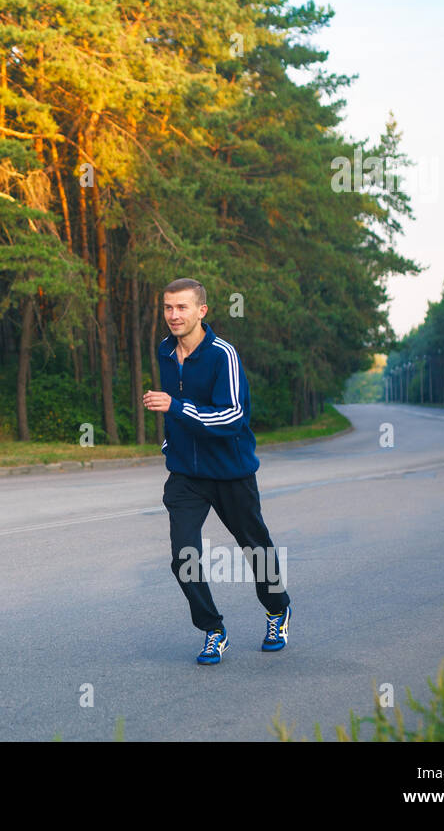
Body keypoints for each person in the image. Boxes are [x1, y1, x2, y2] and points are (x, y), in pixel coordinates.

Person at [143, 278, 291, 665]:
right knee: (183, 556)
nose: (173, 315)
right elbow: (174, 409)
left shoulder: (223, 354)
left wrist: (175, 407)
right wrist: (169, 443)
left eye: (182, 308)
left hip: (230, 471)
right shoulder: (164, 351)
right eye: (168, 308)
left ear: (202, 311)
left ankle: (277, 610)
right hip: (187, 475)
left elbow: (233, 416)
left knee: (256, 549)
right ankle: (213, 629)